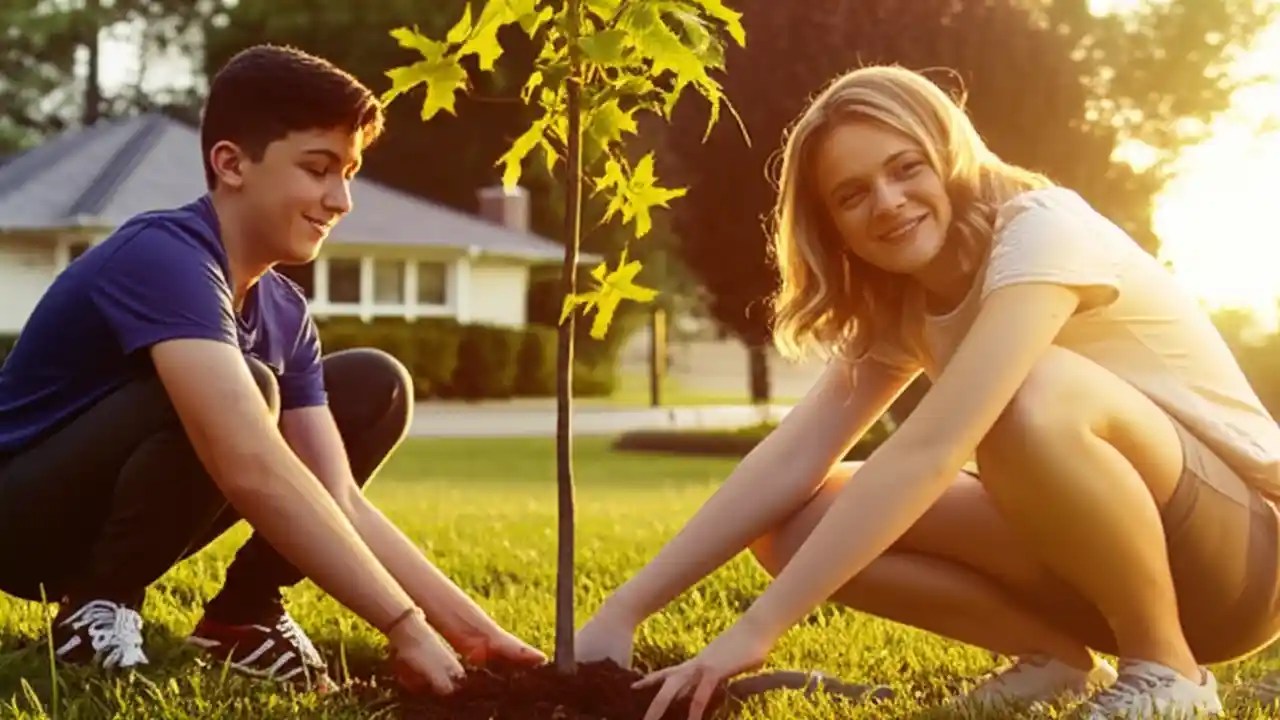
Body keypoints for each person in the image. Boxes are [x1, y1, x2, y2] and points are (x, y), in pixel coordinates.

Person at [575, 64, 1280, 720]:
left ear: (948, 156)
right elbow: (792, 459)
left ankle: (1169, 673)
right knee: (795, 521)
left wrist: (757, 629)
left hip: (1240, 559)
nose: (888, 203)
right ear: (833, 228)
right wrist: (624, 612)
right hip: (1090, 570)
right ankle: (1053, 660)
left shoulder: (1042, 230)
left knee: (1024, 391)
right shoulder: (901, 302)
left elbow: (934, 448)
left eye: (905, 168)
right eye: (852, 195)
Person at [0, 44, 544, 694]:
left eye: (349, 172)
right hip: (20, 520)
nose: (340, 199)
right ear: (231, 163)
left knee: (373, 386)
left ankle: (243, 620)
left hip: (96, 505)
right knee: (251, 391)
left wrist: (470, 632)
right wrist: (401, 626)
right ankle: (99, 608)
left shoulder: (284, 311)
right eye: (318, 169)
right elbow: (247, 462)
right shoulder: (162, 257)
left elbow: (339, 498)